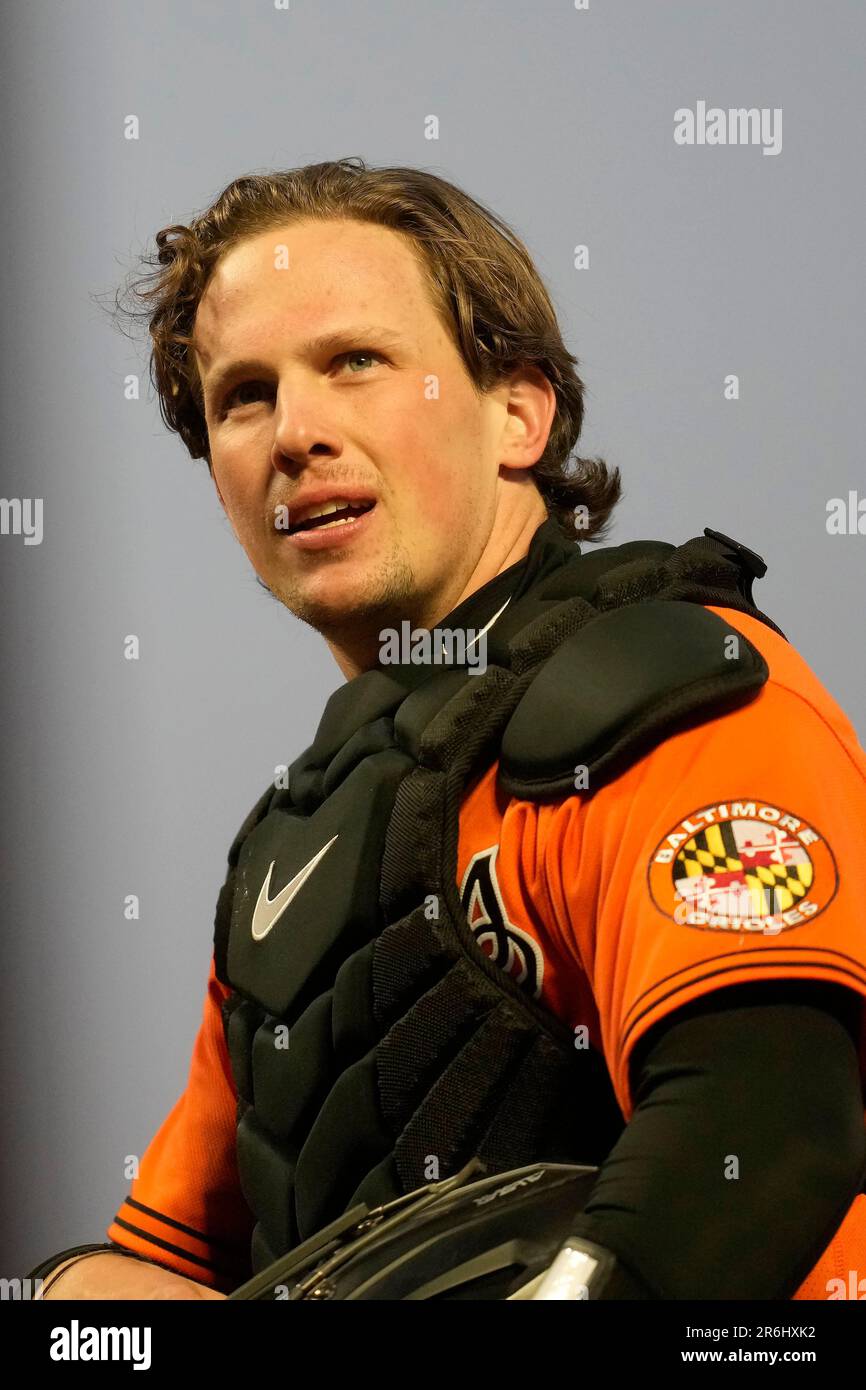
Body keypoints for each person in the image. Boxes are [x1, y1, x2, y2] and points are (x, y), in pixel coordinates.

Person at [33, 159, 866, 1301]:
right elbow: (158, 1265)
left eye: (355, 362)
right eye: (243, 395)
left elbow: (773, 1124)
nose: (295, 432)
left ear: (516, 413)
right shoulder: (295, 846)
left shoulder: (662, 700)